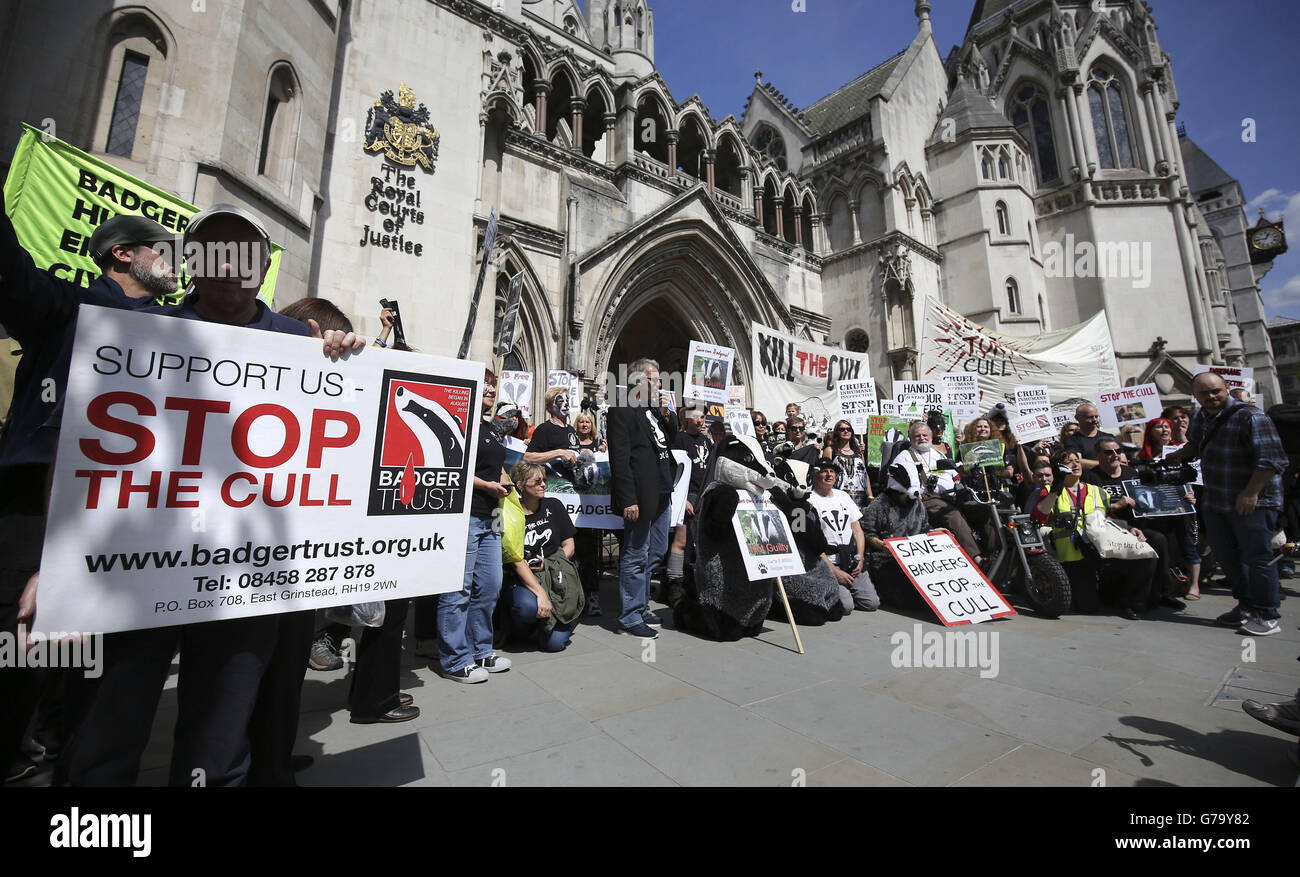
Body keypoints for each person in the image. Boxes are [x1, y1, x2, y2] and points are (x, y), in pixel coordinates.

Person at [57, 203, 365, 786]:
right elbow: (83, 449)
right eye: (211, 250)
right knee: (106, 736)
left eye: (242, 250)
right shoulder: (142, 331)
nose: (228, 264)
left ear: (262, 264)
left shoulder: (302, 345)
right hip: (139, 570)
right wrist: (55, 559)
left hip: (246, 578)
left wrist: (348, 355)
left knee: (218, 743)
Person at [1, 198, 177, 784]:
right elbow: (13, 273)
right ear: (122, 254)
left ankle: (61, 747)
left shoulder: (184, 331)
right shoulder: (69, 306)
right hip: (38, 501)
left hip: (130, 512)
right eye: (163, 249)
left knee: (89, 656)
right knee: (24, 641)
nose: (176, 261)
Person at [1166, 373, 1288, 636]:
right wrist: (1175, 456)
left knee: (1258, 559)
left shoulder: (1251, 417)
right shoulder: (1201, 417)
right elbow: (1196, 445)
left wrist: (1250, 493)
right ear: (1195, 395)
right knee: (1228, 557)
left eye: (1216, 391)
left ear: (1226, 389)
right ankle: (1246, 607)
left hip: (1253, 501)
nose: (1211, 397)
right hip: (1217, 499)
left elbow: (1273, 461)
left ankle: (1267, 615)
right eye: (1204, 393)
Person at [436, 368, 513, 682]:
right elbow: (451, 467)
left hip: (491, 516)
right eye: (486, 385)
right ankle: (455, 660)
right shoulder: (458, 422)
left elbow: (497, 467)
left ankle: (482, 649)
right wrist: (485, 485)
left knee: (491, 586)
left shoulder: (491, 428)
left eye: (493, 386)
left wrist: (507, 481)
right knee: (459, 588)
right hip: (466, 515)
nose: (491, 390)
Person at [1032, 448, 1155, 619]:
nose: (1075, 464)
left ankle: (1129, 601)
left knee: (1145, 554)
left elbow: (1108, 518)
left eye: (1077, 461)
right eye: (1068, 462)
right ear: (1059, 468)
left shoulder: (1097, 491)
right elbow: (1039, 515)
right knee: (1088, 607)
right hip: (1073, 555)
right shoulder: (1048, 491)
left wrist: (1129, 529)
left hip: (1099, 546)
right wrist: (1056, 488)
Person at [606, 358, 677, 638]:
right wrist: (628, 499)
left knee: (656, 553)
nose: (659, 384)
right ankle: (630, 615)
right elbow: (620, 461)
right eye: (654, 379)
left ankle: (641, 604)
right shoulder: (622, 410)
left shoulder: (652, 410)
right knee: (636, 554)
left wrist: (667, 415)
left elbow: (672, 438)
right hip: (640, 495)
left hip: (661, 492)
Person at [1083, 437, 1184, 612]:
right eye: (1108, 452)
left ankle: (1161, 594)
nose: (1115, 455)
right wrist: (1115, 506)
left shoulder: (1131, 473)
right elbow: (1089, 510)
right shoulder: (1091, 478)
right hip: (1110, 528)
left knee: (1159, 540)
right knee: (1144, 549)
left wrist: (1183, 499)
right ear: (1097, 455)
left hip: (1137, 525)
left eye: (1117, 451)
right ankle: (1132, 600)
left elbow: (1152, 499)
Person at [505, 462, 584, 652]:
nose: (543, 485)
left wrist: (548, 565)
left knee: (554, 645)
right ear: (520, 485)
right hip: (524, 578)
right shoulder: (511, 514)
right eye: (537, 481)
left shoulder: (553, 505)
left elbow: (569, 545)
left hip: (556, 574)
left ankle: (556, 623)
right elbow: (514, 559)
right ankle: (526, 628)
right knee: (526, 608)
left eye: (544, 480)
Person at [903, 420, 991, 567]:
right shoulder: (906, 456)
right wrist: (913, 491)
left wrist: (958, 481)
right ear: (911, 438)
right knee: (952, 514)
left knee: (985, 509)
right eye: (917, 436)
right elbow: (899, 480)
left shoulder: (938, 454)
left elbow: (955, 474)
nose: (922, 438)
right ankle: (977, 558)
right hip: (928, 499)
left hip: (954, 496)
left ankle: (994, 553)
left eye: (925, 435)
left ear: (931, 437)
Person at [860, 449, 933, 611]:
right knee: (904, 599)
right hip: (885, 561)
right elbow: (866, 532)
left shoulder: (917, 504)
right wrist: (881, 545)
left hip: (915, 558)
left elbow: (925, 528)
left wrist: (936, 533)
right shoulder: (880, 505)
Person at [1138, 417, 1201, 600]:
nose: (1164, 430)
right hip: (1156, 508)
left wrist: (1192, 495)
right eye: (1159, 427)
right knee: (1160, 543)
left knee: (1188, 545)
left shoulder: (1182, 451)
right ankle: (1162, 584)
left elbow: (1194, 476)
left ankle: (1194, 585)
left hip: (1180, 504)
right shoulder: (1143, 455)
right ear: (1150, 431)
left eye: (1167, 426)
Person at [807, 459, 880, 611]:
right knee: (846, 607)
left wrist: (860, 558)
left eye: (832, 471)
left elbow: (857, 530)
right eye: (824, 471)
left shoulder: (843, 496)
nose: (829, 475)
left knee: (871, 603)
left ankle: (846, 590)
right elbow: (811, 542)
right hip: (828, 563)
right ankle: (835, 591)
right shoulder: (809, 499)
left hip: (850, 560)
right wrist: (834, 572)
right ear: (815, 475)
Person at [667, 401, 708, 605]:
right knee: (681, 541)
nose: (700, 420)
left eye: (702, 417)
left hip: (704, 495)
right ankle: (674, 586)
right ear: (685, 419)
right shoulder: (679, 439)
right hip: (686, 494)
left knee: (700, 542)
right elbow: (675, 473)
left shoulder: (706, 441)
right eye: (696, 416)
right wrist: (682, 499)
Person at [572, 410, 607, 616]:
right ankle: (575, 594)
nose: (584, 425)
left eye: (587, 422)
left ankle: (592, 596)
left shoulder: (599, 445)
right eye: (581, 422)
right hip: (573, 507)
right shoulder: (570, 444)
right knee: (574, 552)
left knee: (591, 554)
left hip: (593, 509)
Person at [525, 387, 579, 468]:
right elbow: (528, 457)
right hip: (554, 478)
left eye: (567, 400)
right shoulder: (544, 429)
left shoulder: (571, 429)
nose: (566, 404)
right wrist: (559, 453)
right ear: (549, 408)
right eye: (561, 401)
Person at [822, 419, 870, 507]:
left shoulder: (858, 452)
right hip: (838, 497)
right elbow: (824, 475)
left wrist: (870, 495)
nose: (846, 431)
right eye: (842, 429)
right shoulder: (830, 450)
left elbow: (865, 474)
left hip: (860, 499)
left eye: (848, 429)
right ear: (837, 432)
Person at [1064, 403, 1115, 470]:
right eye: (1090, 417)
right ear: (1077, 418)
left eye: (1096, 416)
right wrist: (1108, 464)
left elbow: (1123, 460)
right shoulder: (1072, 441)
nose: (1094, 420)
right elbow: (1078, 461)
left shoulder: (1109, 437)